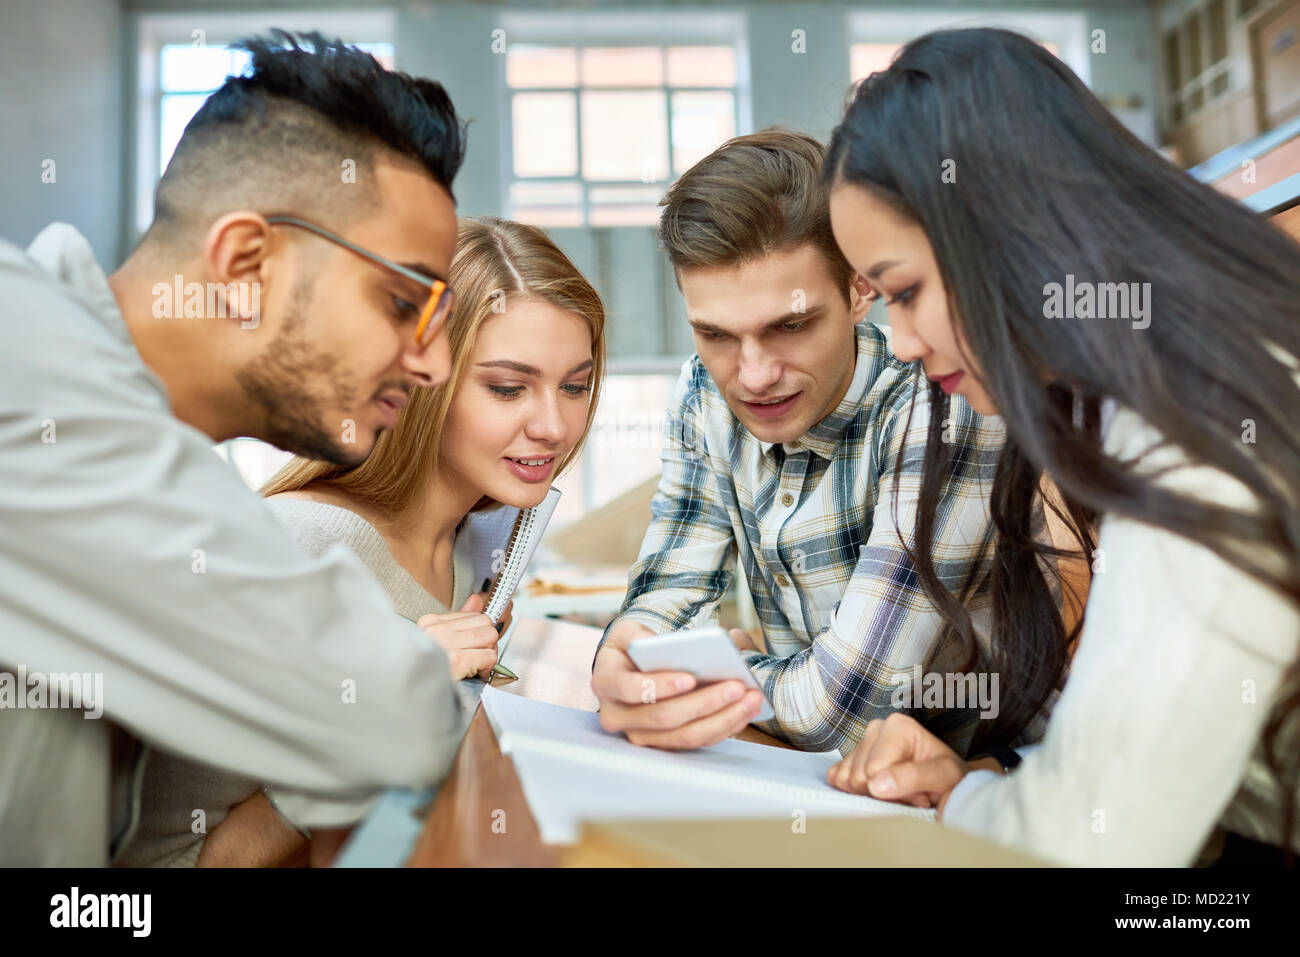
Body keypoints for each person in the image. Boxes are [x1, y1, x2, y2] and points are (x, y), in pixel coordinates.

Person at [0, 32, 481, 866]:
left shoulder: (127, 420)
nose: (435, 362)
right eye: (404, 301)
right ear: (245, 261)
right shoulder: (28, 362)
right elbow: (389, 723)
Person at [822, 27, 1300, 865]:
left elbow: (1095, 843)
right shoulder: (1175, 358)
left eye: (905, 291)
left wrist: (970, 797)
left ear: (1004, 226)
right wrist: (972, 788)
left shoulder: (1195, 413)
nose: (898, 342)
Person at [139, 217, 606, 866]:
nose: (554, 425)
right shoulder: (293, 548)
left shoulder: (479, 542)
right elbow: (180, 859)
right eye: (507, 387)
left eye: (575, 385)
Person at [591, 129, 1029, 756]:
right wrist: (624, 658)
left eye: (790, 325)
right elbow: (669, 587)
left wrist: (723, 674)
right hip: (815, 788)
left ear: (859, 289)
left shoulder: (946, 408)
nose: (754, 375)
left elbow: (845, 712)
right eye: (715, 334)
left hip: (964, 807)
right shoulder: (705, 392)